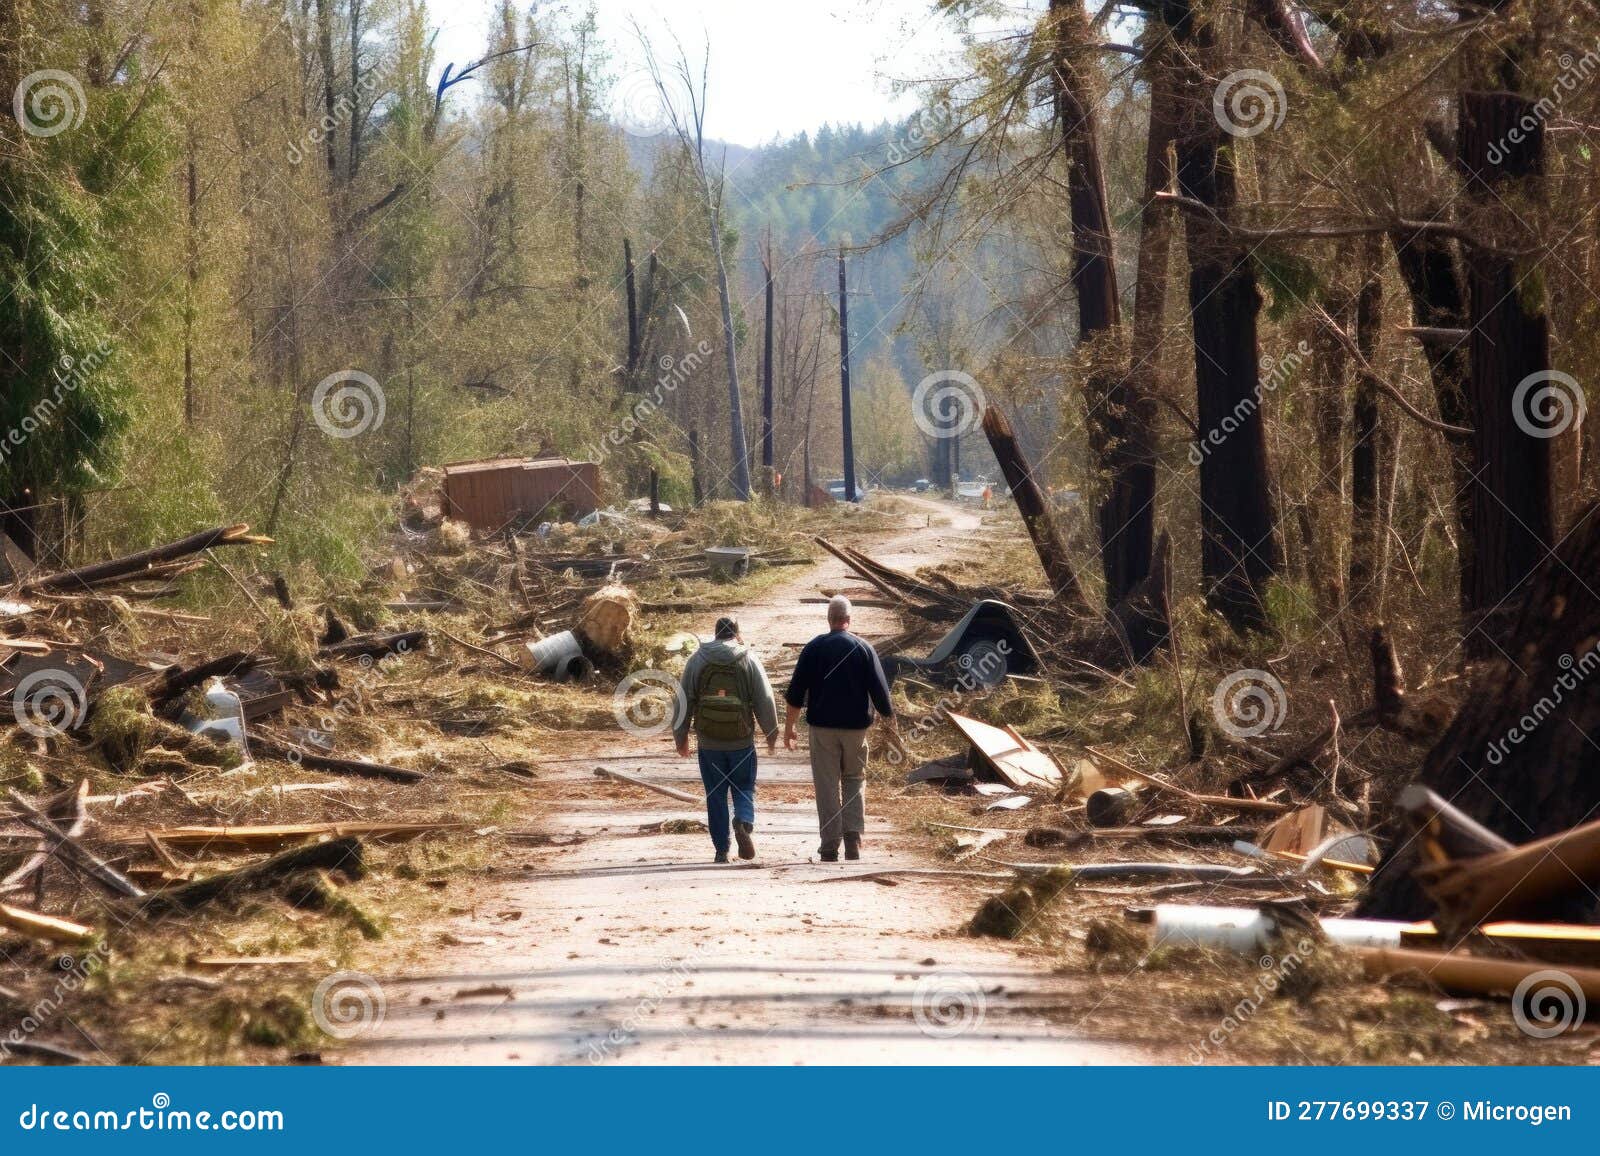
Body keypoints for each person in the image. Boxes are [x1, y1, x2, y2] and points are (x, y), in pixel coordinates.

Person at [783, 595, 896, 862]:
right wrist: (892, 728)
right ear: (849, 619)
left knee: (827, 785)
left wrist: (789, 727)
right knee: (855, 779)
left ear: (829, 619)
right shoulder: (864, 648)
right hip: (856, 730)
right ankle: (853, 839)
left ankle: (830, 845)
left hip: (822, 729)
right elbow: (882, 695)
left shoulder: (813, 648)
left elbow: (795, 694)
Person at [674, 616, 779, 863]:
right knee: (743, 787)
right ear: (736, 632)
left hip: (709, 742)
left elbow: (683, 700)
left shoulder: (697, 659)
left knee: (715, 794)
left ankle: (722, 850)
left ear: (715, 633)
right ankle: (743, 820)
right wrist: (771, 734)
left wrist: (681, 737)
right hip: (741, 741)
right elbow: (764, 698)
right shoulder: (748, 658)